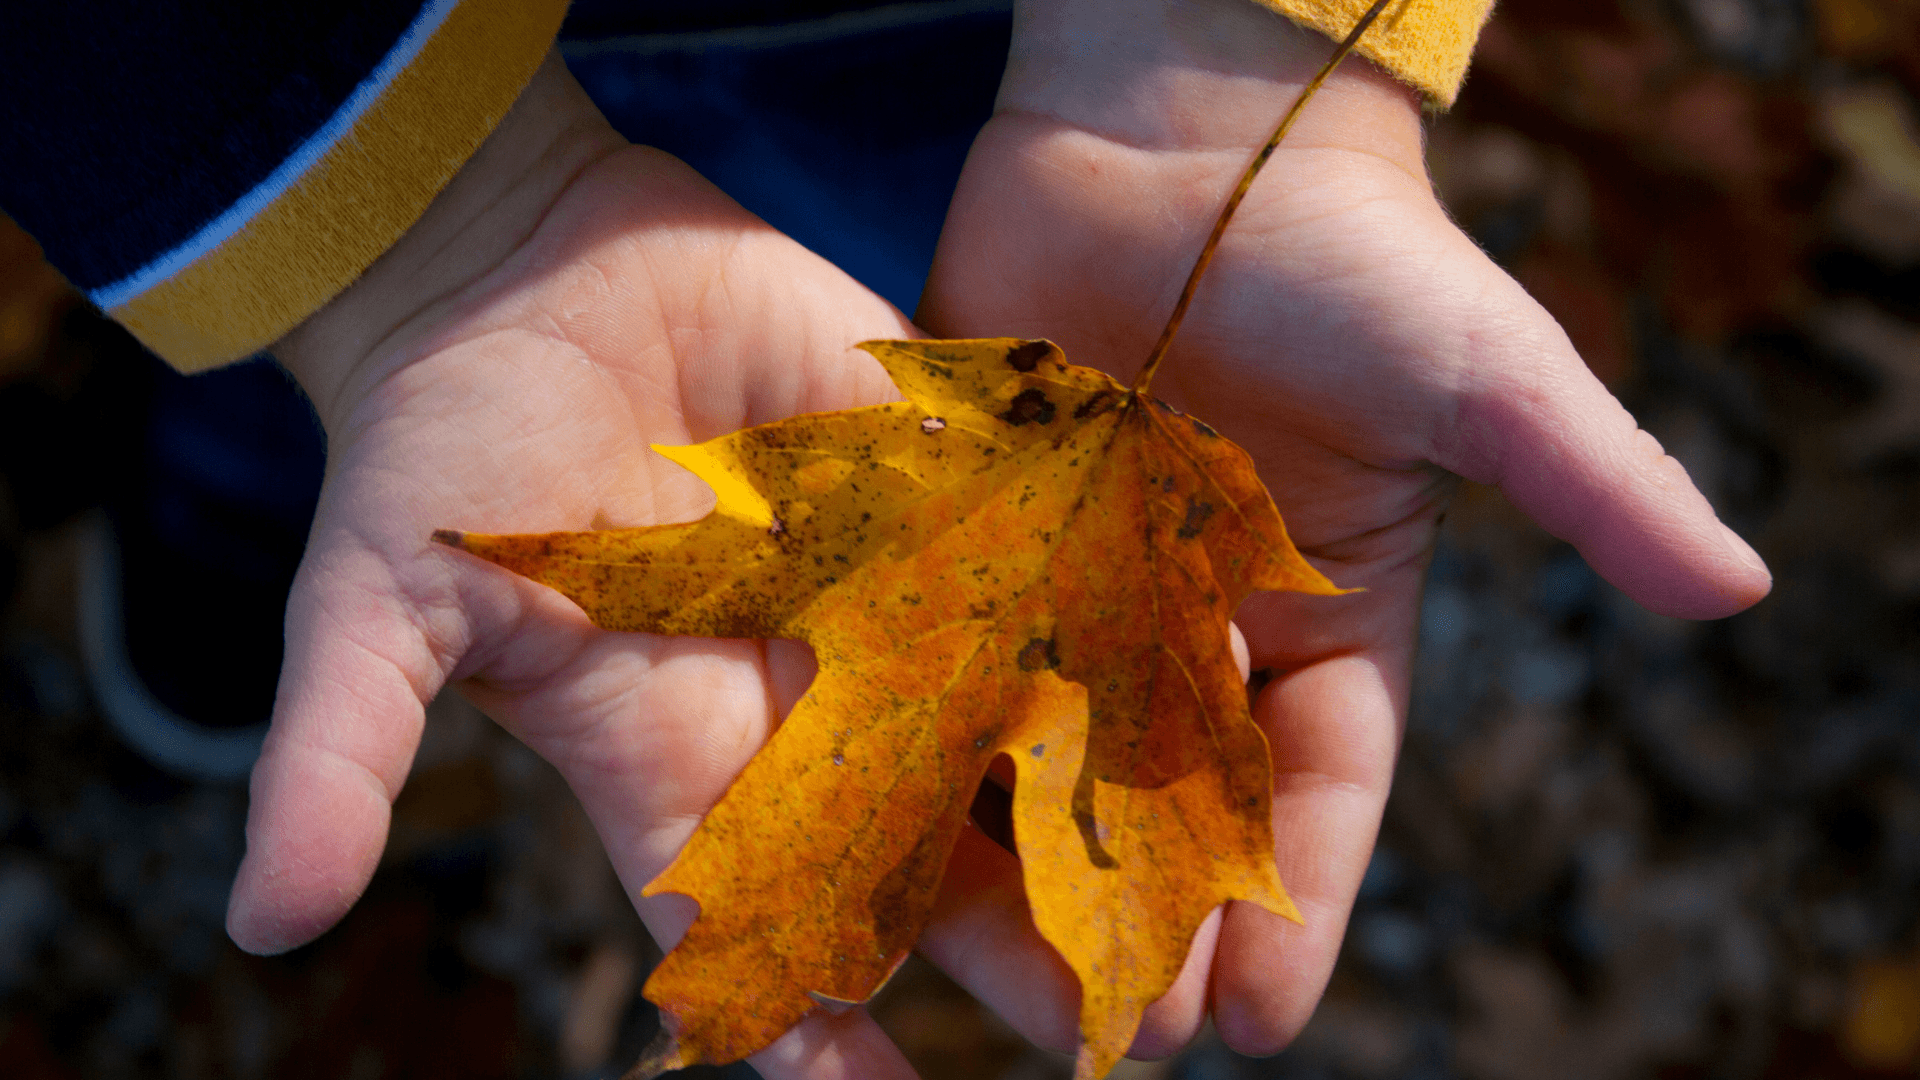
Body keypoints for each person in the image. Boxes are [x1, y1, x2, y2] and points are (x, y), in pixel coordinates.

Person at [2, 1, 1772, 1075]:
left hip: (1004, 43)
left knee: (835, 298)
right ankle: (230, 574)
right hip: (288, 104)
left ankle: (225, 594)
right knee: (320, 406)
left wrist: (1229, 44)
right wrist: (377, 239)